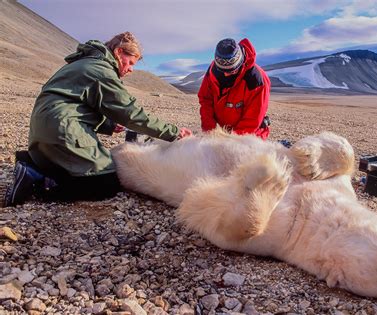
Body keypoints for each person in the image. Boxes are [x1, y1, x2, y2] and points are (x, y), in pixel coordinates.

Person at [3, 32, 192, 207]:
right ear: (118, 52)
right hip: (61, 129)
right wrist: (174, 132)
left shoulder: (82, 63)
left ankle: (32, 163)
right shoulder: (102, 71)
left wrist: (109, 125)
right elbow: (132, 115)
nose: (131, 69)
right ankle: (38, 181)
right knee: (105, 182)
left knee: (76, 167)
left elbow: (75, 103)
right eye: (131, 62)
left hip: (43, 128)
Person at [198, 38, 271, 140]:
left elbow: (252, 120)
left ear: (240, 63)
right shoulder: (213, 71)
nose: (226, 74)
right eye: (222, 70)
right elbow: (206, 99)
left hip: (250, 136)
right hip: (225, 132)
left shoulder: (256, 80)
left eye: (232, 71)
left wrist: (231, 142)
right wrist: (210, 132)